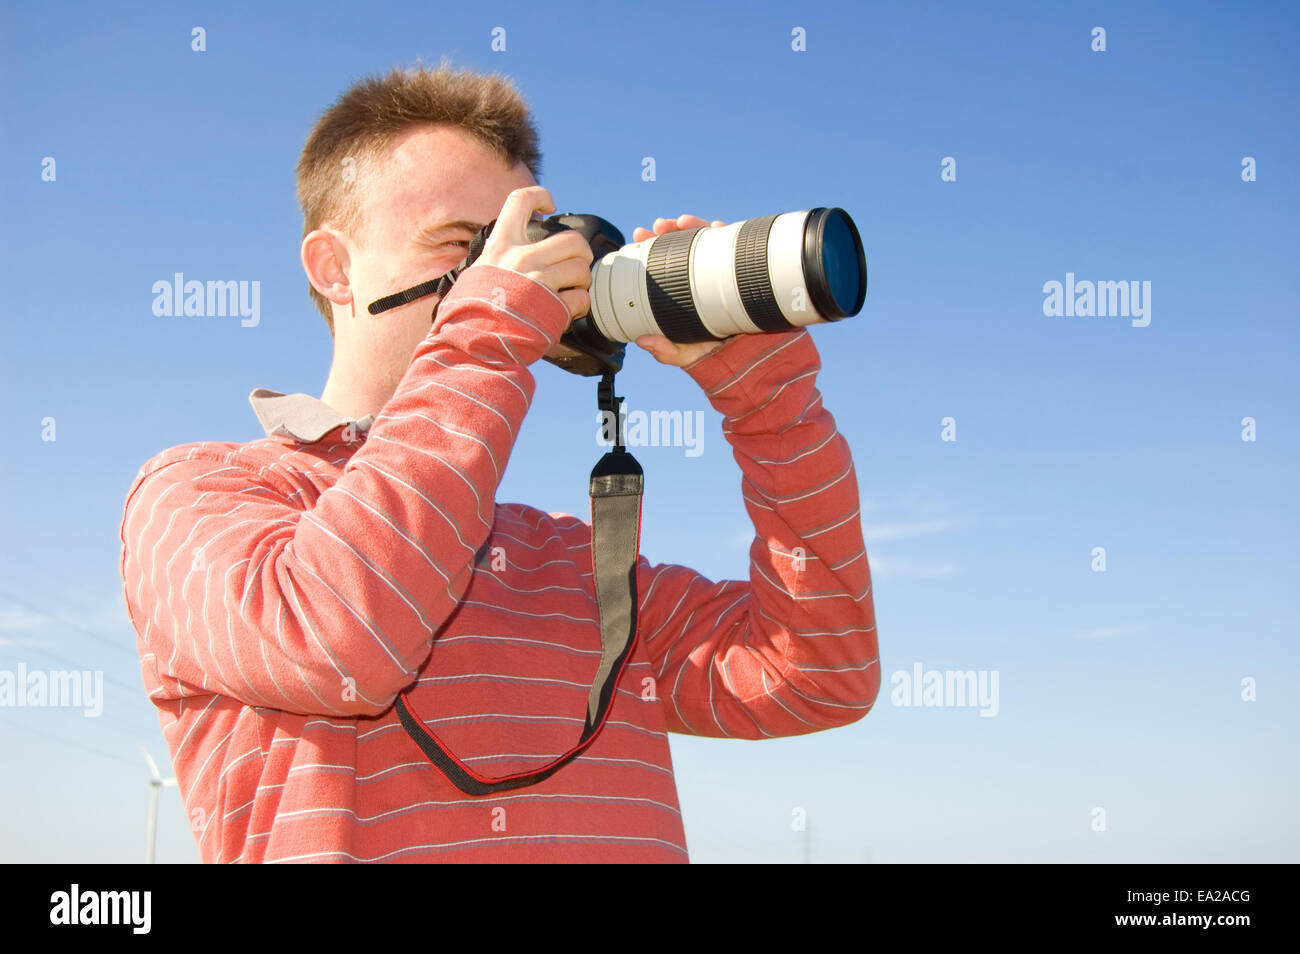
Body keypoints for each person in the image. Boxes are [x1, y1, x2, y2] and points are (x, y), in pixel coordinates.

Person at [118, 63, 880, 863]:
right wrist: (488, 326)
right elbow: (340, 642)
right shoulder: (195, 495)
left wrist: (768, 402)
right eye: (464, 246)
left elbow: (821, 673)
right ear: (333, 268)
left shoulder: (585, 571)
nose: (514, 278)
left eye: (527, 247)